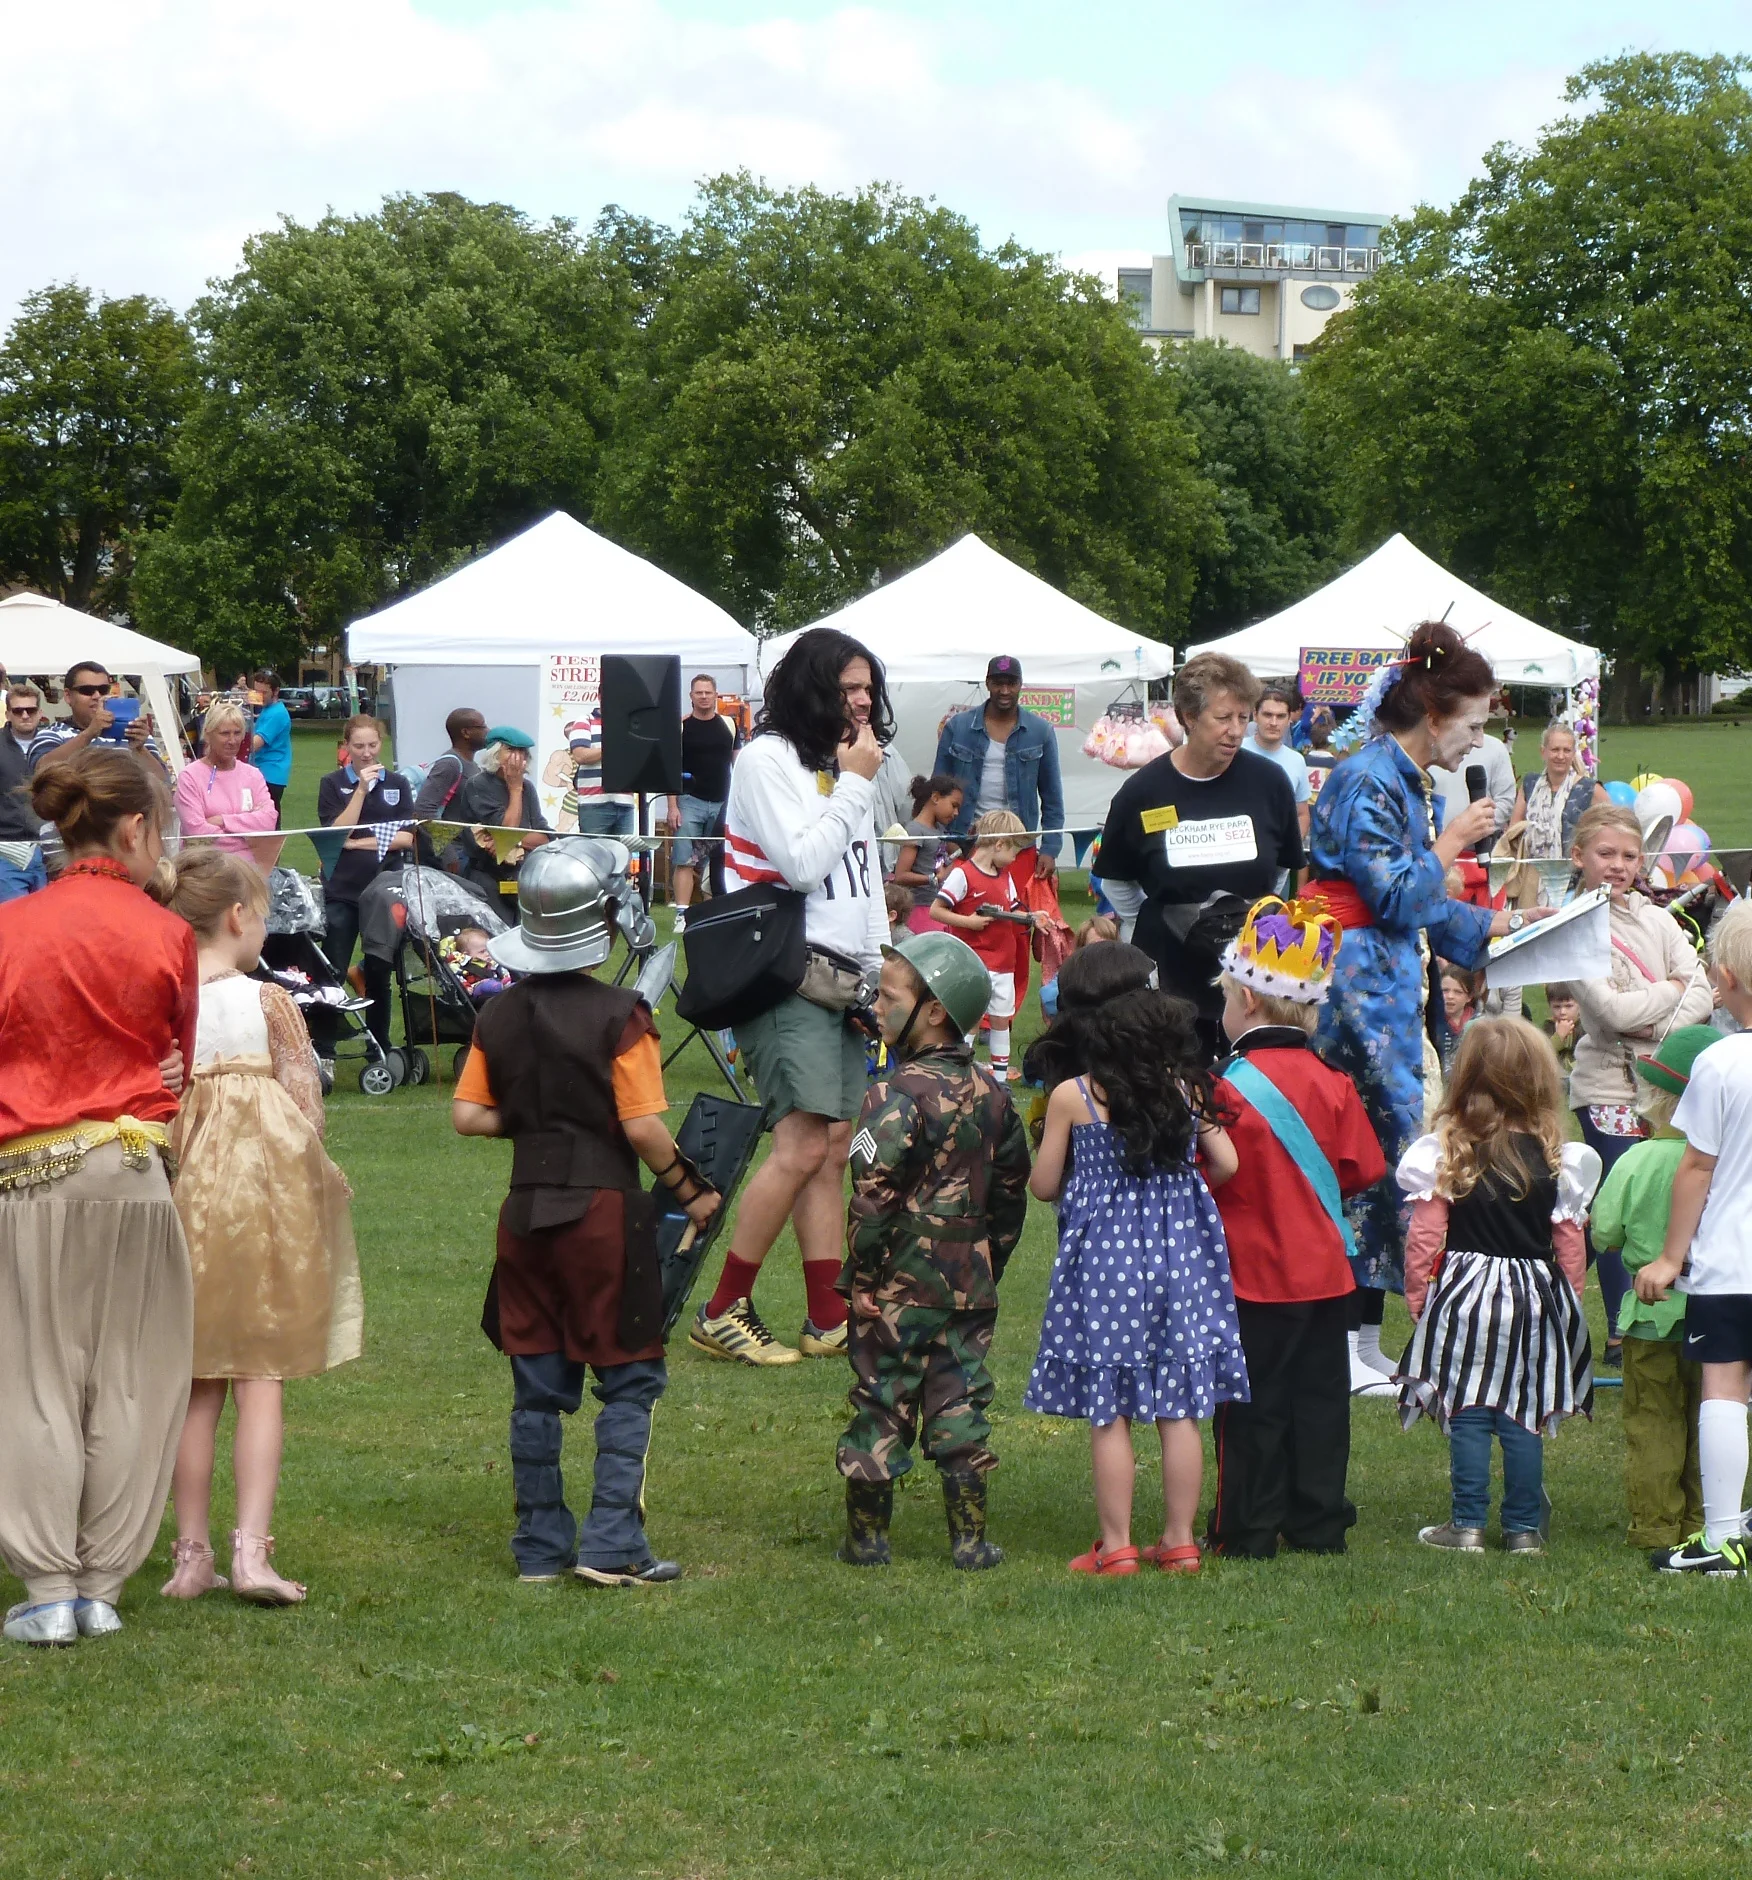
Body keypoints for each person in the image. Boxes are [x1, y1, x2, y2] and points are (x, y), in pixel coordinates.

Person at [452, 841, 720, 1585]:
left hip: (524, 1214)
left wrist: (537, 1123)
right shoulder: (622, 1015)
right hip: (603, 1216)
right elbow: (640, 1127)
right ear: (600, 921)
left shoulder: (498, 1012)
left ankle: (539, 1550)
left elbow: (469, 1116)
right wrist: (691, 1187)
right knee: (629, 1378)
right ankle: (612, 1544)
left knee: (536, 1384)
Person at [1305, 621, 1550, 1383]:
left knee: (1393, 1149)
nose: (1478, 742)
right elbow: (1393, 891)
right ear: (1434, 713)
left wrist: (1502, 924)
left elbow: (1419, 908)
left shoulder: (1405, 780)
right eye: (1474, 724)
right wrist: (1451, 847)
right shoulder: (1365, 778)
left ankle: (1364, 1343)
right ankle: (1346, 1344)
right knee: (1379, 1145)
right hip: (1353, 988)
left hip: (1388, 977)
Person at [0, 749, 197, 1645]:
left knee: (36, 1382)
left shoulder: (14, 927)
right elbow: (177, 1058)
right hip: (133, 1169)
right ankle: (101, 1582)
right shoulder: (167, 933)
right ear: (135, 828)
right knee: (128, 1380)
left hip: (31, 1173)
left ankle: (47, 1588)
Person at [155, 850, 362, 1606]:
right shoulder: (269, 1003)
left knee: (195, 1383)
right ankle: (253, 1552)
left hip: (185, 1201)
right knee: (260, 1373)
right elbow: (305, 1110)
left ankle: (189, 1554)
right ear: (238, 918)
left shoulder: (166, 1002)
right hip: (259, 1204)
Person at [689, 627, 889, 1369]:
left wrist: (880, 970)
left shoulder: (852, 765)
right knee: (803, 1141)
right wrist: (857, 783)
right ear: (811, 689)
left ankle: (825, 1314)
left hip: (841, 974)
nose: (864, 701)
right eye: (849, 688)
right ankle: (722, 1308)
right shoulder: (765, 760)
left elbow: (863, 878)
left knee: (834, 1147)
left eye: (869, 687)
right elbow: (803, 866)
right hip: (781, 972)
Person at [1025, 986, 1246, 1576]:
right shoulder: (1188, 1092)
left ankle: (1117, 1545)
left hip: (1105, 1266)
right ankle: (1179, 1541)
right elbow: (1227, 1163)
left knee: (1111, 1411)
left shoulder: (1073, 1097)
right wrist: (1182, 1197)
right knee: (1181, 1410)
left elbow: (1043, 1184)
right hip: (1179, 1259)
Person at [836, 932, 1030, 1570]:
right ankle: (969, 1540)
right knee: (962, 1394)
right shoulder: (996, 1095)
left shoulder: (893, 1094)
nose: (878, 1005)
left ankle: (868, 1540)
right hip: (967, 1280)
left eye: (890, 996)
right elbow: (1010, 1197)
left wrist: (863, 1275)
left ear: (935, 1010)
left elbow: (871, 1196)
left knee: (882, 1393)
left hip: (896, 1282)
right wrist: (987, 1262)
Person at [1205, 898, 1386, 1558]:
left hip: (1251, 1275)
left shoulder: (1223, 1087)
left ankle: (1246, 1529)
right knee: (1320, 1403)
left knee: (1250, 1407)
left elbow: (1205, 1173)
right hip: (1326, 1274)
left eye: (1224, 997)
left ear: (1249, 1002)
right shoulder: (1334, 1082)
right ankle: (1318, 1522)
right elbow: (1362, 1167)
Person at [1395, 1018, 1600, 1553]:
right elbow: (1569, 1247)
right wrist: (1570, 1303)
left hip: (1464, 1293)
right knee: (1523, 1410)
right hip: (1534, 1297)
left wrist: (1419, 1297)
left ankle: (1466, 1525)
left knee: (1467, 1407)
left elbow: (1425, 1238)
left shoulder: (1447, 1151)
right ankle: (1523, 1529)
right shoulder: (1560, 1156)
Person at [1096, 652, 1303, 1060]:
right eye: (1223, 718)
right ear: (1188, 717)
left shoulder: (1269, 782)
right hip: (1171, 973)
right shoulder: (1144, 791)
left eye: (1244, 718)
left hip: (1251, 974)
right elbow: (1118, 880)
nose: (1236, 731)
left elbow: (1279, 869)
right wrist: (1158, 921)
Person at [1632, 902, 1752, 1574]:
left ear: (1726, 980)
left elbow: (1696, 1165)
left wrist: (1672, 1254)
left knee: (1723, 1391)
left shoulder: (1722, 1061)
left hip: (1733, 1263)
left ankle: (1720, 1538)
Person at [1567, 803, 1711, 1360]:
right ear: (1580, 856)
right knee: (1621, 1208)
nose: (1619, 865)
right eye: (1606, 854)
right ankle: (1623, 1324)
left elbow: (1702, 988)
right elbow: (1608, 1012)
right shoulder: (1573, 929)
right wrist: (1674, 993)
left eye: (1629, 855)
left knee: (1670, 1192)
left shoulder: (1657, 919)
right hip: (1610, 1084)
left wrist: (1665, 1001)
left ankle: (1670, 1312)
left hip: (1668, 1086)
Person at [1592, 1026, 1720, 1551]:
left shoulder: (1636, 1160)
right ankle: (1703, 1519)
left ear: (1655, 1100)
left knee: (1653, 1422)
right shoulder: (1729, 1166)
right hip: (1715, 1309)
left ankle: (1656, 1526)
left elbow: (1604, 1232)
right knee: (1709, 1417)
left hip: (1650, 1313)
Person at [933, 655, 1066, 1011]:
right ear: (988, 683)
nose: (1004, 690)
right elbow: (939, 788)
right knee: (965, 927)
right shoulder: (958, 728)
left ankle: (1004, 1015)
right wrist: (944, 842)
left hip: (1019, 847)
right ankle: (963, 1010)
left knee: (1016, 932)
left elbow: (1052, 795)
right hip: (968, 842)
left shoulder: (1040, 731)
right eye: (998, 682)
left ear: (1020, 685)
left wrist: (1050, 847)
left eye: (1011, 683)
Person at [314, 715, 418, 1056]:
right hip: (342, 889)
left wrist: (361, 844)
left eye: (372, 745)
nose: (367, 753)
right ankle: (325, 1047)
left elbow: (407, 837)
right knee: (333, 969)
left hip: (384, 890)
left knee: (379, 970)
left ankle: (380, 1046)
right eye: (358, 746)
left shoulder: (398, 784)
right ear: (346, 746)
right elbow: (336, 831)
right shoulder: (332, 784)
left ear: (381, 743)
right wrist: (360, 789)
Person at [931, 809, 1034, 1083]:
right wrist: (969, 922)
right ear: (999, 844)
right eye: (1014, 850)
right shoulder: (963, 874)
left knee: (1001, 1021)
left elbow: (1012, 910)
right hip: (973, 963)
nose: (1015, 858)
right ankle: (958, 1073)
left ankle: (999, 1083)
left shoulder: (1005, 876)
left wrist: (1034, 918)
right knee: (970, 1019)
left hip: (1005, 963)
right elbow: (936, 910)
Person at [667, 675, 736, 928]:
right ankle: (682, 915)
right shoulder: (681, 728)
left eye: (708, 692)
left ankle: (711, 914)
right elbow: (671, 769)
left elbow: (738, 765)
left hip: (722, 804)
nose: (704, 696)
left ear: (715, 694)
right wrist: (672, 806)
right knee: (685, 858)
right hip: (689, 802)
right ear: (691, 696)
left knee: (716, 860)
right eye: (699, 692)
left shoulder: (729, 725)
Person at [173, 701, 280, 863]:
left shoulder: (253, 775)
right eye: (224, 733)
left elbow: (269, 821)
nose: (232, 740)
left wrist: (223, 820)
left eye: (237, 733)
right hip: (205, 870)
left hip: (248, 873)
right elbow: (198, 834)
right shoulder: (190, 777)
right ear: (208, 734)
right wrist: (247, 839)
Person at [455, 727, 551, 904]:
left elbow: (545, 837)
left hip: (521, 874)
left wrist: (517, 841)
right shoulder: (478, 784)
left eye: (522, 751)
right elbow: (506, 831)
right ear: (495, 753)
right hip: (487, 877)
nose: (517, 757)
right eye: (510, 750)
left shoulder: (527, 788)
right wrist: (515, 789)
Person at [29, 660, 168, 776]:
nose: (96, 696)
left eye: (103, 690)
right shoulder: (53, 733)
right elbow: (41, 771)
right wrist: (89, 733)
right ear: (68, 696)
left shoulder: (134, 733)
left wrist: (140, 749)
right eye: (87, 691)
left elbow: (162, 781)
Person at [1508, 721, 1608, 859]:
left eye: (1566, 750)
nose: (1560, 756)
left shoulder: (1590, 789)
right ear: (1543, 752)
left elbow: (1613, 829)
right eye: (1555, 750)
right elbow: (1513, 831)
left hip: (1575, 872)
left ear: (1573, 754)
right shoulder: (1529, 784)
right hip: (1531, 872)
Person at [891, 773, 963, 934]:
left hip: (936, 907)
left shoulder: (939, 830)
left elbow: (958, 853)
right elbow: (901, 876)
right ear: (936, 798)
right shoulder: (916, 830)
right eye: (954, 805)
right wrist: (934, 879)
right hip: (920, 909)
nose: (956, 813)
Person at [1243, 685, 1312, 839]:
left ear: (1289, 719)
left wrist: (1291, 851)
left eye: (1280, 716)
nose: (1273, 722)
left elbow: (1302, 814)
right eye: (1267, 715)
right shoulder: (1235, 751)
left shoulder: (1296, 761)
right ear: (1255, 715)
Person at [1428, 718, 1515, 839]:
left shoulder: (1495, 748)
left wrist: (1473, 828)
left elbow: (1506, 802)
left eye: (1479, 727)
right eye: (1473, 727)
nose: (1479, 741)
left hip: (1482, 848)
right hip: (1433, 847)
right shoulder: (1429, 751)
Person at [0, 681, 48, 899]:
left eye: (31, 710)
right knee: (13, 921)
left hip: (50, 847)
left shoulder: (52, 743)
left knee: (50, 920)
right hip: (7, 848)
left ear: (40, 713)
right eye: (18, 711)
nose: (25, 715)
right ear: (8, 714)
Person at [412, 708, 489, 823]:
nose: (488, 731)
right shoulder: (450, 764)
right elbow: (424, 807)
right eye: (483, 727)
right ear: (466, 733)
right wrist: (444, 838)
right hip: (451, 840)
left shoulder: (473, 766)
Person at [247, 672, 293, 810]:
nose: (259, 696)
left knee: (268, 820)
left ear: (276, 691)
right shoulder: (268, 709)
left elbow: (254, 745)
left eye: (264, 692)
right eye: (256, 691)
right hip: (266, 771)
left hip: (270, 773)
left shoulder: (276, 713)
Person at [441, 925, 512, 1002]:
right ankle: (501, 988)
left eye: (488, 950)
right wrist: (466, 986)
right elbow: (457, 977)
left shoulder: (490, 960)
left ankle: (510, 987)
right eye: (482, 951)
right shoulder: (460, 963)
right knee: (485, 986)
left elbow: (501, 968)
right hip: (476, 988)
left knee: (500, 975)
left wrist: (505, 977)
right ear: (466, 954)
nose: (487, 954)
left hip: (495, 981)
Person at [1543, 983, 1581, 1082]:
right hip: (1555, 1076)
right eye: (1556, 1007)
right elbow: (1544, 1053)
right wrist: (1559, 1036)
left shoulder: (1585, 1025)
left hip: (1581, 1074)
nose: (1562, 1012)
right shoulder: (1549, 1025)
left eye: (1568, 1006)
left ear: (1580, 1004)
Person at [1303, 706, 1338, 804]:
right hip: (1323, 805)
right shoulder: (1333, 764)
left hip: (1305, 804)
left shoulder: (1303, 761)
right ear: (1330, 742)